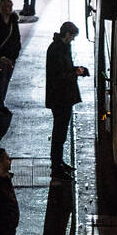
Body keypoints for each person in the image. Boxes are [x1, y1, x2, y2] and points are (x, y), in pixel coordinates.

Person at [45, 21, 89, 181]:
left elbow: (65, 69)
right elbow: (58, 76)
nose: (73, 40)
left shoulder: (62, 47)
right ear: (67, 34)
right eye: (72, 36)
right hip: (59, 98)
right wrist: (75, 73)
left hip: (64, 97)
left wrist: (79, 70)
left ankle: (58, 162)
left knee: (61, 133)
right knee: (59, 133)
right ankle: (56, 167)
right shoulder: (56, 49)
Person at [0, 0, 21, 114]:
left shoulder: (13, 19)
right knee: (2, 79)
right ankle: (1, 103)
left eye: (10, 6)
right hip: (1, 57)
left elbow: (17, 37)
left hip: (12, 55)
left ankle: (2, 100)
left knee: (7, 79)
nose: (8, 9)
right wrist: (0, 57)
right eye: (6, 7)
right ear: (1, 8)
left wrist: (15, 54)